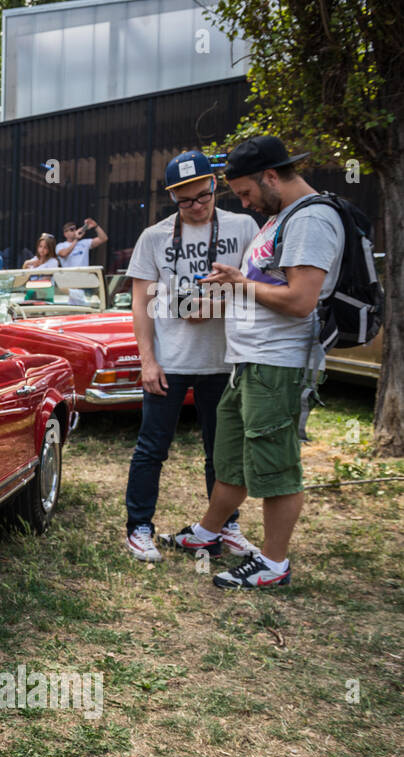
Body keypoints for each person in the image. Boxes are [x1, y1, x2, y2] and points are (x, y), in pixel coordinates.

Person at [167, 135, 344, 589]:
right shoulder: (279, 219)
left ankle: (273, 562)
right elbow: (259, 286)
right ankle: (208, 532)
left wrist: (239, 283)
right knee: (233, 459)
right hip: (247, 362)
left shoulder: (312, 219)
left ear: (270, 176)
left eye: (245, 192)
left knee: (274, 465)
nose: (244, 202)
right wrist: (223, 291)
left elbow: (301, 300)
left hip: (276, 364)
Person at [123, 150, 260, 562]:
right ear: (172, 198)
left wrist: (216, 305)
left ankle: (224, 526)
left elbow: (262, 290)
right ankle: (139, 527)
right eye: (186, 201)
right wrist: (148, 361)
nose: (197, 207)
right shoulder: (154, 236)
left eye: (204, 196)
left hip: (224, 360)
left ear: (216, 185)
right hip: (172, 362)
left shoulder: (244, 226)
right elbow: (140, 303)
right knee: (151, 447)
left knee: (222, 451)